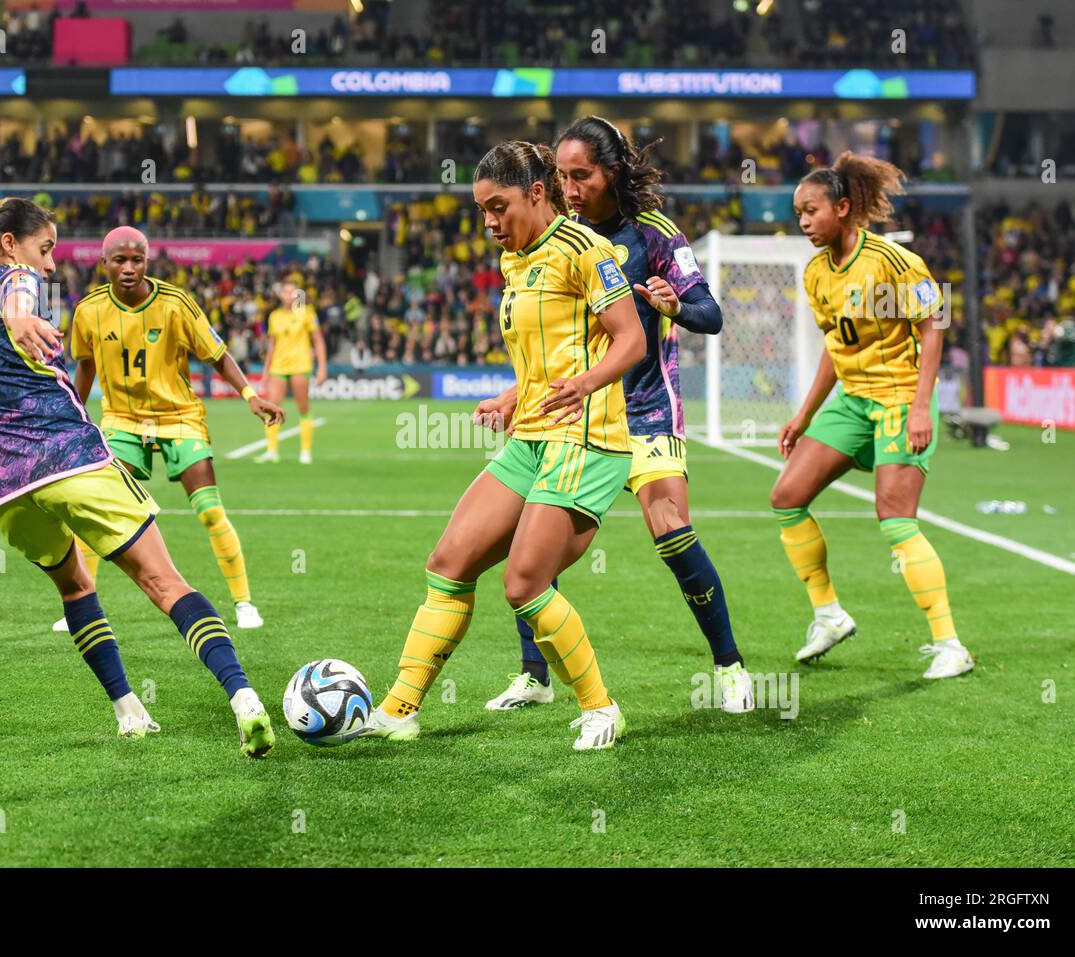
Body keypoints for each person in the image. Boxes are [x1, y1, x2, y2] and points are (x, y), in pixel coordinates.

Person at [0, 197, 276, 755]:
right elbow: (17, 294)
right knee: (165, 583)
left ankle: (129, 713)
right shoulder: (18, 279)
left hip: (4, 486)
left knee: (77, 587)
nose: (52, 263)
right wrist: (15, 314)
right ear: (11, 245)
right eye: (46, 248)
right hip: (68, 457)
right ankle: (244, 699)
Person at [360, 141, 646, 751]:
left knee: (524, 584)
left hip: (588, 436)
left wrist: (589, 382)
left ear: (536, 194)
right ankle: (399, 709)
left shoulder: (587, 251)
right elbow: (553, 352)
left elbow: (630, 342)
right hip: (534, 434)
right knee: (448, 564)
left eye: (498, 207)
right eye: (481, 210)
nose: (489, 222)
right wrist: (515, 394)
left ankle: (602, 709)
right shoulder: (519, 260)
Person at [482, 116, 754, 713]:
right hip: (576, 418)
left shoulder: (653, 234)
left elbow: (710, 315)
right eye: (563, 176)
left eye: (583, 176)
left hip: (646, 409)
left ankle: (730, 665)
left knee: (671, 531)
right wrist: (513, 395)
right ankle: (535, 675)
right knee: (535, 543)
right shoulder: (561, 237)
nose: (571, 188)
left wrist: (675, 303)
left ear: (612, 172)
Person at [772, 153, 974, 679]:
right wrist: (804, 414)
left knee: (894, 515)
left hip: (899, 399)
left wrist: (923, 406)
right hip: (852, 401)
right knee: (787, 497)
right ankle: (829, 614)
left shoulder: (889, 261)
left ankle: (950, 643)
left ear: (842, 207)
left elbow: (933, 326)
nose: (804, 222)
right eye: (798, 214)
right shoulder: (817, 272)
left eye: (812, 210)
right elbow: (834, 348)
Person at [54, 226, 283, 633]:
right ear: (104, 263)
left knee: (211, 512)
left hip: (179, 418)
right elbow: (85, 365)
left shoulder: (176, 303)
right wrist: (72, 414)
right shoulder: (88, 311)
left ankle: (244, 603)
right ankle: (80, 605)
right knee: (97, 511)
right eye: (120, 260)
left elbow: (216, 354)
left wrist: (250, 394)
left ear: (148, 261)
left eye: (136, 260)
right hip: (122, 421)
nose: (128, 268)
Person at [254, 280, 326, 464]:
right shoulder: (275, 316)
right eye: (285, 291)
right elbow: (272, 345)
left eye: (292, 292)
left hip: (300, 366)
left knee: (303, 408)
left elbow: (318, 341)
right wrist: (266, 371)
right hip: (278, 367)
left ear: (298, 295)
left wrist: (322, 368)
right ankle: (272, 451)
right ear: (281, 295)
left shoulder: (307, 313)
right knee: (272, 407)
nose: (289, 295)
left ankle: (305, 451)